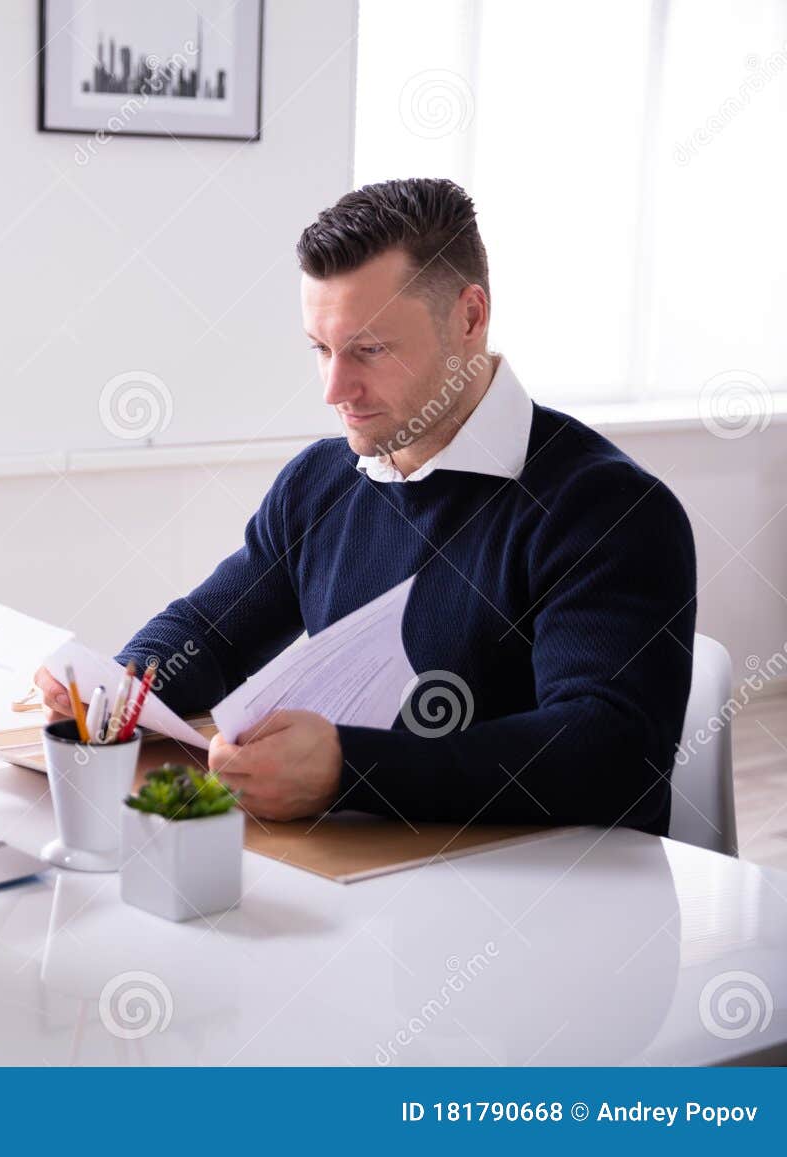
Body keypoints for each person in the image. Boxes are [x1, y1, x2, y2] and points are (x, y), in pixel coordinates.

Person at [38, 178, 696, 835]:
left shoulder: (610, 510)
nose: (334, 389)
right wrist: (119, 690)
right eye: (321, 349)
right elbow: (211, 632)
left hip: (547, 885)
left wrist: (348, 769)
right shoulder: (321, 482)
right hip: (362, 865)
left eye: (370, 350)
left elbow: (610, 752)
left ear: (469, 318)